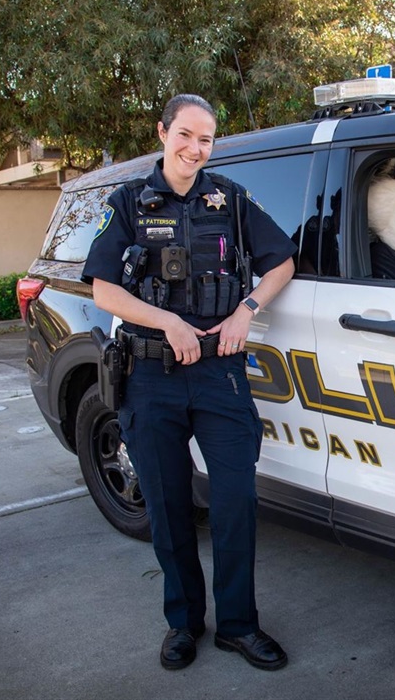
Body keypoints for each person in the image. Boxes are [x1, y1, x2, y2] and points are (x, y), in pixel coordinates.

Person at [82, 94, 296, 672]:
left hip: (219, 373)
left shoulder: (230, 200)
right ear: (162, 132)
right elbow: (104, 288)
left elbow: (282, 262)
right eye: (185, 135)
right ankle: (182, 623)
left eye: (206, 139)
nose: (195, 149)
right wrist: (168, 320)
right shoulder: (128, 202)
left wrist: (248, 308)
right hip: (150, 375)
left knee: (235, 501)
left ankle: (239, 626)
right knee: (170, 506)